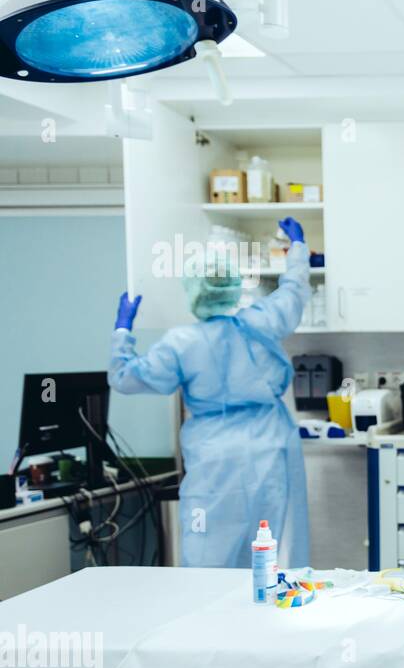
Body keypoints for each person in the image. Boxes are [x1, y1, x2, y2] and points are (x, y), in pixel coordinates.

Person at [109, 217, 311, 569]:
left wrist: (123, 328)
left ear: (193, 290)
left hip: (215, 458)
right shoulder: (261, 322)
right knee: (273, 547)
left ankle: (212, 619)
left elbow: (125, 378)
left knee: (208, 550)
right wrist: (297, 249)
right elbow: (293, 291)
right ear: (234, 287)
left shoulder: (182, 344)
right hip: (270, 448)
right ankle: (273, 614)